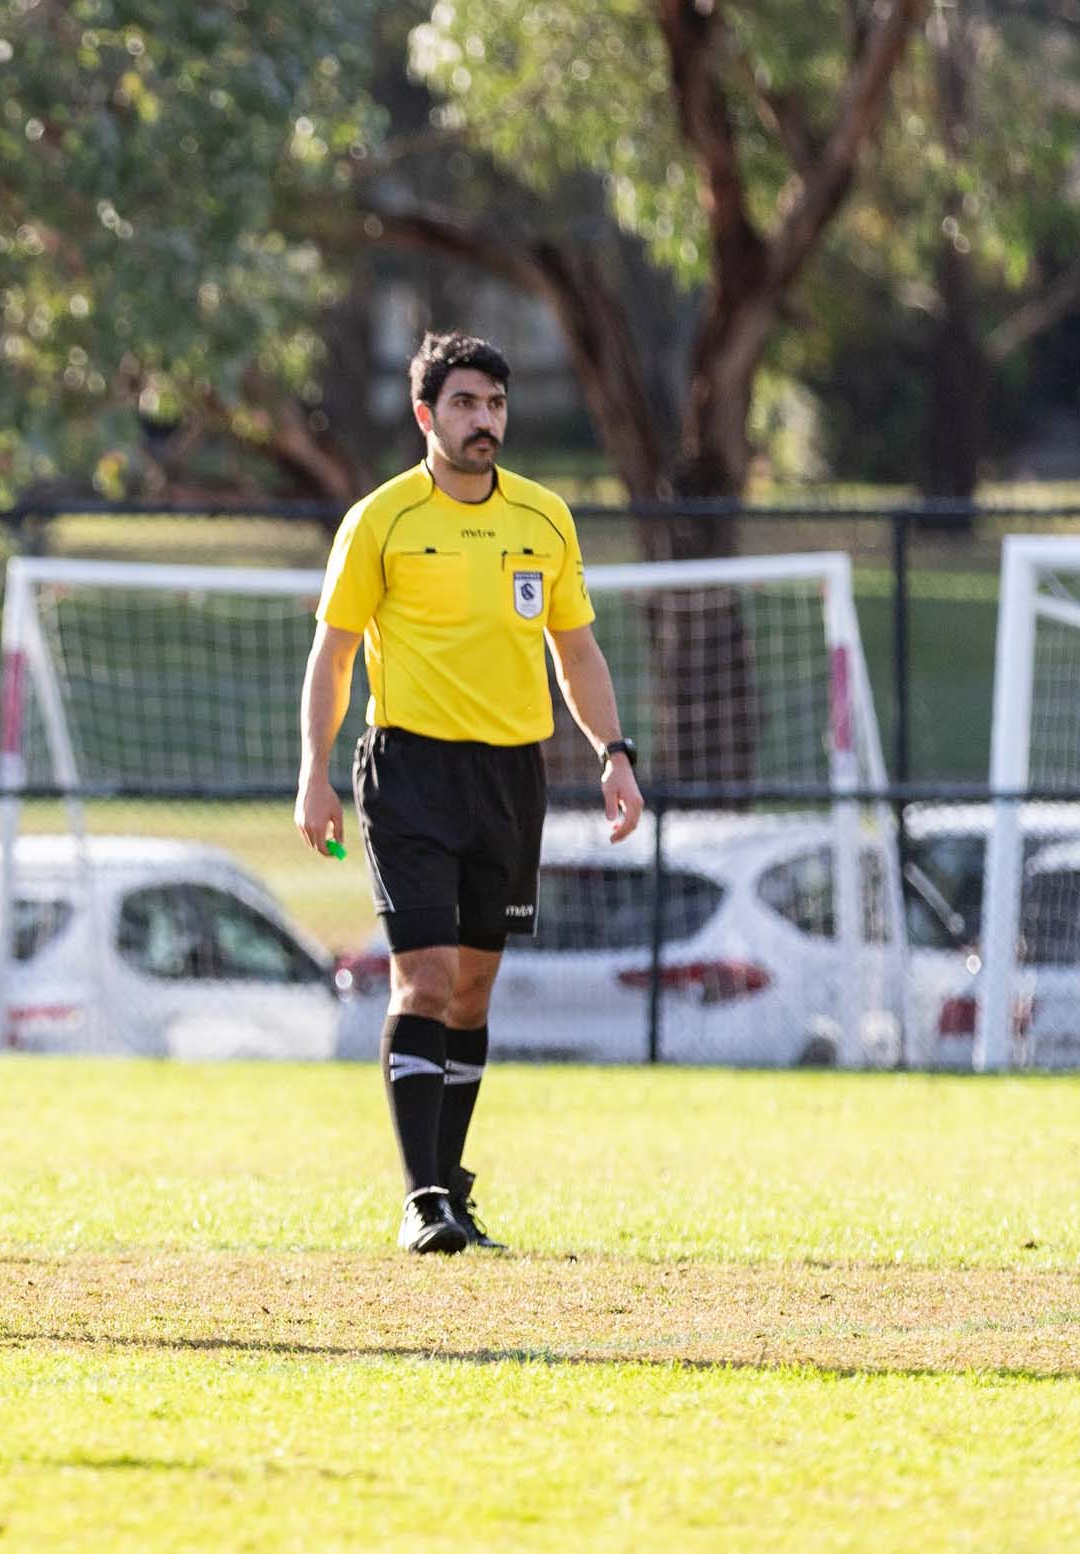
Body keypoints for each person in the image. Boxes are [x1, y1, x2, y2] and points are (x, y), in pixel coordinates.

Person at [293, 331, 644, 1255]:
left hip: (510, 774)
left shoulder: (543, 519)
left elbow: (574, 650)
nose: (482, 420)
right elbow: (331, 655)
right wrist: (312, 774)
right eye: (462, 404)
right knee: (426, 977)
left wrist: (613, 751)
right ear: (424, 416)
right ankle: (420, 1201)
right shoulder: (381, 520)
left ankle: (451, 1190)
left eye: (492, 403)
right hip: (408, 770)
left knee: (475, 991)